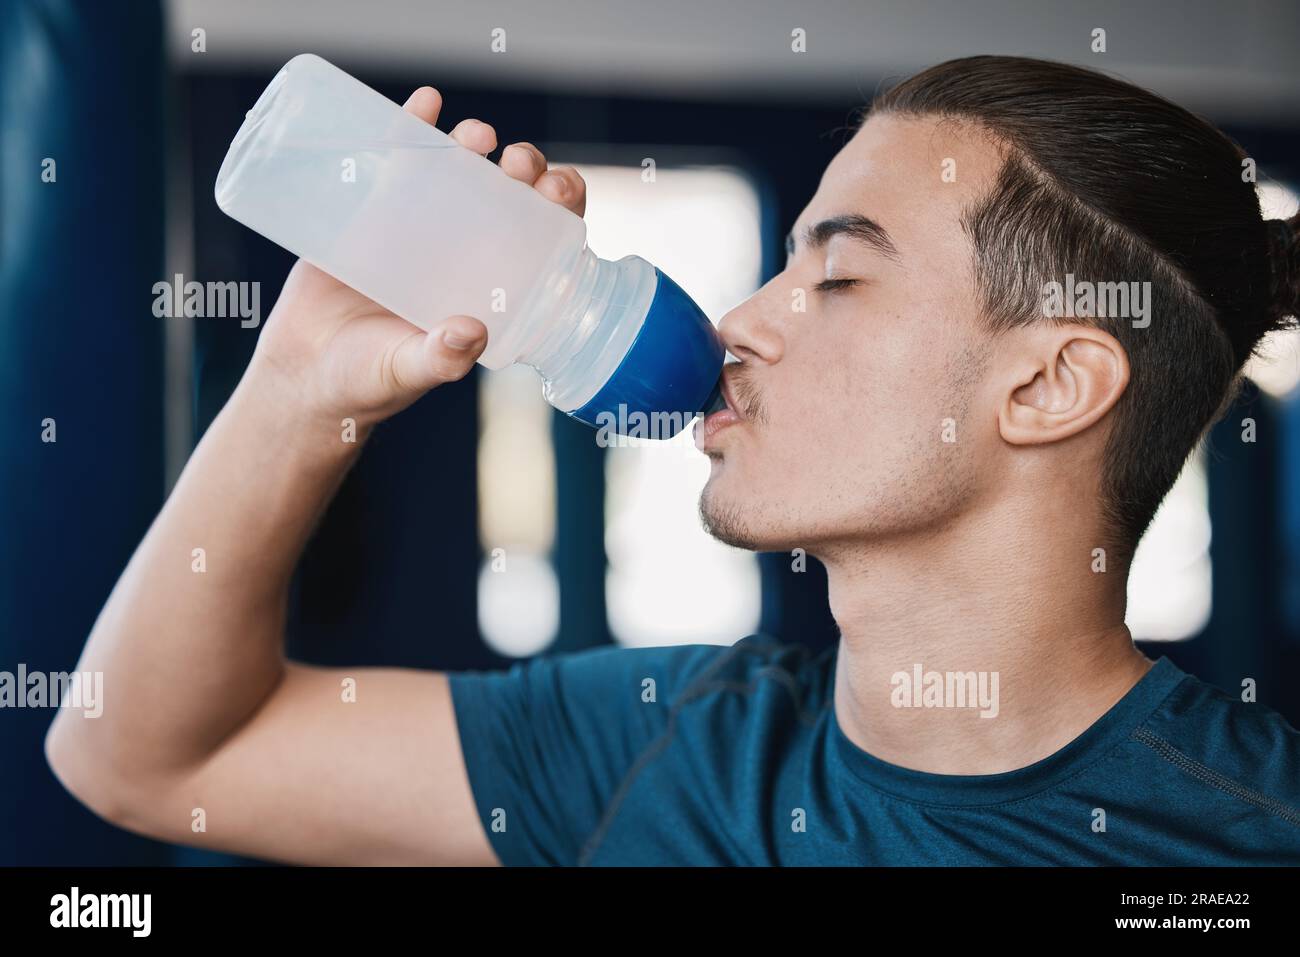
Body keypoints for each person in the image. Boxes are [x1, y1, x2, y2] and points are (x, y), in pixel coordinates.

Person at [46, 56, 1300, 865]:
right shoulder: (666, 734)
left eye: (838, 275)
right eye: (783, 261)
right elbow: (146, 760)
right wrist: (297, 387)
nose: (742, 321)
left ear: (1046, 385)